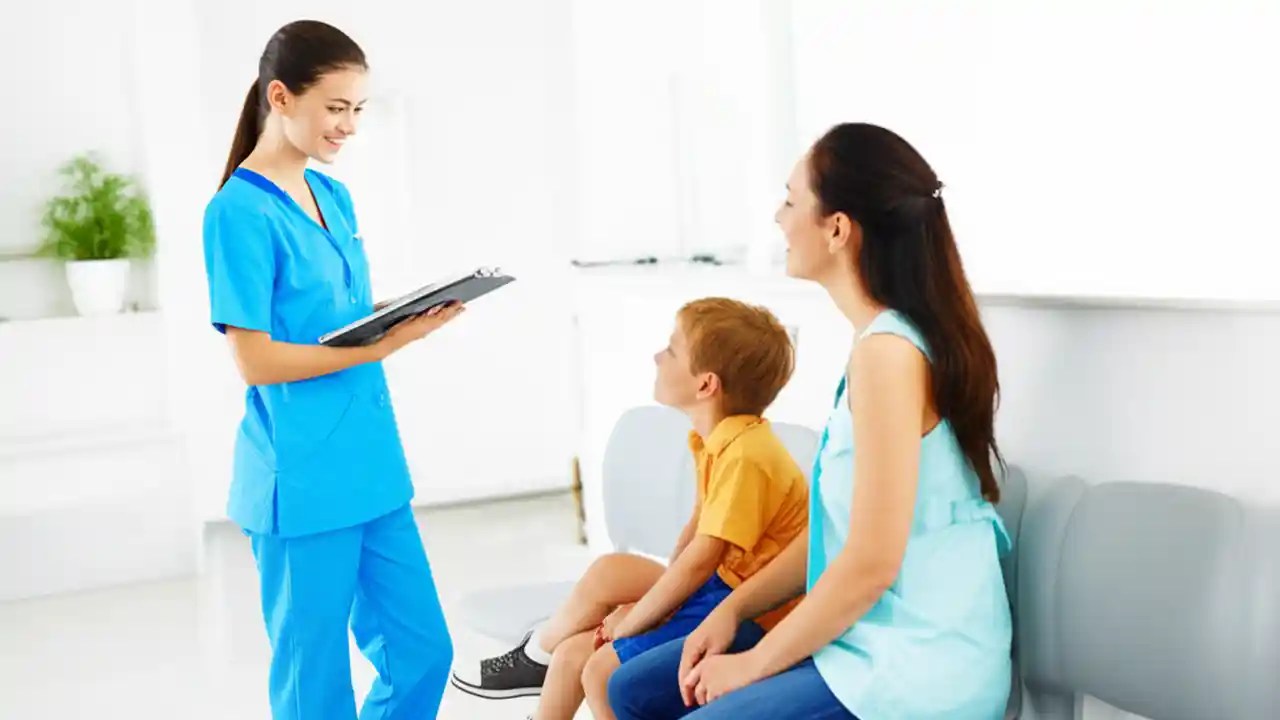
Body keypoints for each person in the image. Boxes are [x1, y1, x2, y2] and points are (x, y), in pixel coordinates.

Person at [607, 123, 1014, 719]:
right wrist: (734, 609)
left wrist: (754, 661)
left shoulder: (889, 355)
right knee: (631, 690)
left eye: (791, 200)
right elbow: (833, 530)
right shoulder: (877, 345)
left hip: (917, 670)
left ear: (838, 230)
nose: (778, 216)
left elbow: (872, 563)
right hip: (863, 643)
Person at [202, 20, 459, 720]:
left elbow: (332, 314)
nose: (348, 125)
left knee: (422, 652)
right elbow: (255, 359)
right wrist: (379, 347)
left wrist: (402, 314)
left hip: (371, 466)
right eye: (335, 107)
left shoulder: (333, 196)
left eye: (358, 110)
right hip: (302, 479)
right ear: (280, 98)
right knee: (315, 683)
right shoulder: (237, 212)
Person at [450, 298, 810, 720]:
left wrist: (637, 620)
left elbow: (701, 560)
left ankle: (541, 657)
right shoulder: (716, 440)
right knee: (591, 611)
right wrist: (654, 609)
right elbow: (695, 533)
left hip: (747, 606)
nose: (658, 356)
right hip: (717, 586)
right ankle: (538, 655)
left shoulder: (748, 454)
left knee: (598, 667)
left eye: (672, 350)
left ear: (706, 385)